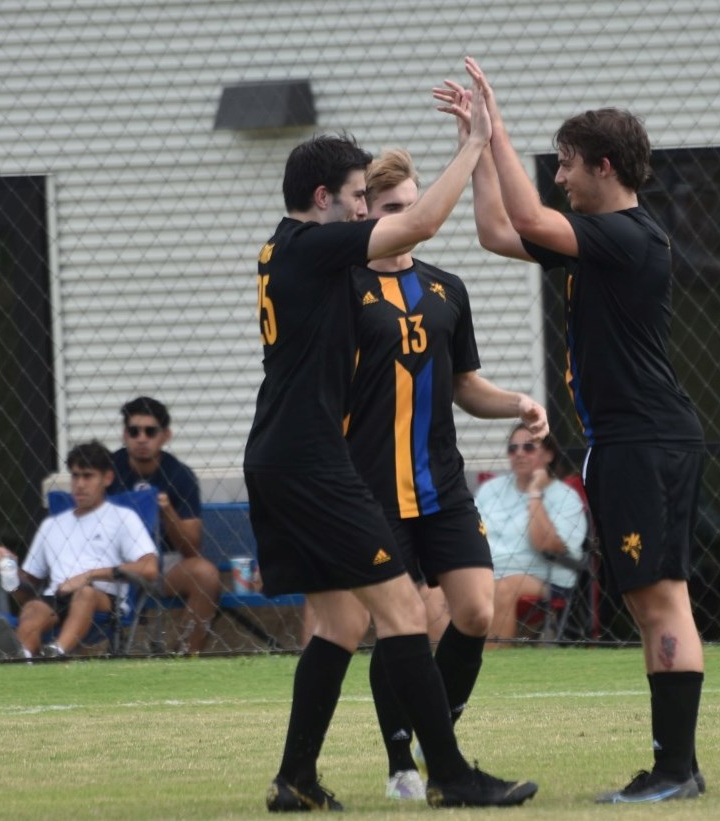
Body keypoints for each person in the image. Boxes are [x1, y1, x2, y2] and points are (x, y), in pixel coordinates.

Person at [244, 63, 537, 811]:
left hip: (282, 454)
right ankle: (449, 776)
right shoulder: (315, 248)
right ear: (325, 199)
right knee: (403, 613)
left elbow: (415, 251)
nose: (362, 210)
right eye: (354, 196)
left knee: (341, 620)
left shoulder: (287, 250)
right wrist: (475, 144)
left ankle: (294, 780)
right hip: (314, 460)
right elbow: (419, 223)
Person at [446, 59, 708, 803]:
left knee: (659, 601)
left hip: (642, 441)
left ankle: (673, 769)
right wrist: (474, 147)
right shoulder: (596, 237)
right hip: (637, 441)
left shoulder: (626, 235)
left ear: (601, 165)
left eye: (563, 164)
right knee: (656, 600)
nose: (557, 177)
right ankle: (674, 766)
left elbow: (526, 217)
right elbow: (499, 229)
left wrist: (492, 129)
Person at [331, 148, 548, 800]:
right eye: (394, 207)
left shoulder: (447, 288)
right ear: (366, 210)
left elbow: (462, 386)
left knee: (477, 611)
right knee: (397, 623)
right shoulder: (340, 287)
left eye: (411, 202)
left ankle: (436, 736)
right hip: (370, 490)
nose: (408, 217)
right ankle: (403, 764)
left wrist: (516, 402)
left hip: (442, 486)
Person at [0, 440, 159, 659]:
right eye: (75, 476)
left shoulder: (123, 518)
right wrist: (9, 573)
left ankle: (56, 652)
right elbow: (26, 593)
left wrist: (88, 576)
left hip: (104, 599)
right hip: (56, 597)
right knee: (32, 608)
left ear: (106, 478)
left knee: (84, 593)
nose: (79, 484)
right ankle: (23, 658)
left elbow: (150, 568)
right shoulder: (52, 525)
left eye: (87, 476)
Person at [108, 396, 220, 654]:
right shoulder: (106, 471)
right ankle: (56, 651)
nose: (142, 438)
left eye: (150, 431)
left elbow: (192, 549)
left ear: (165, 435)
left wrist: (167, 512)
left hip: (161, 563)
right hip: (111, 560)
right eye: (134, 431)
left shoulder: (179, 475)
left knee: (206, 575)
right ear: (125, 435)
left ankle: (185, 656)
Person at [476, 426, 587, 646]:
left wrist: (535, 493)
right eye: (512, 448)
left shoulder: (565, 496)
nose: (519, 453)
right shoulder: (491, 489)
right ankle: (445, 674)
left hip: (545, 575)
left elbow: (545, 543)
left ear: (548, 454)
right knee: (434, 593)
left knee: (502, 588)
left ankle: (495, 672)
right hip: (487, 571)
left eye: (528, 447)